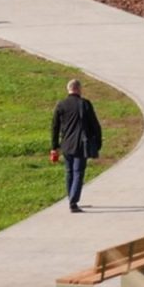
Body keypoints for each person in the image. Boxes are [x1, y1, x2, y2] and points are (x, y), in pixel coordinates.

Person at [49, 78, 104, 213]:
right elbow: (95, 125)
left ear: (68, 89)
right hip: (81, 144)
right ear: (79, 89)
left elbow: (54, 127)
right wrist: (98, 142)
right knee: (78, 172)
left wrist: (54, 146)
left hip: (66, 145)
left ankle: (71, 199)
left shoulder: (61, 105)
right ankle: (73, 202)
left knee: (69, 172)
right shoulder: (85, 104)